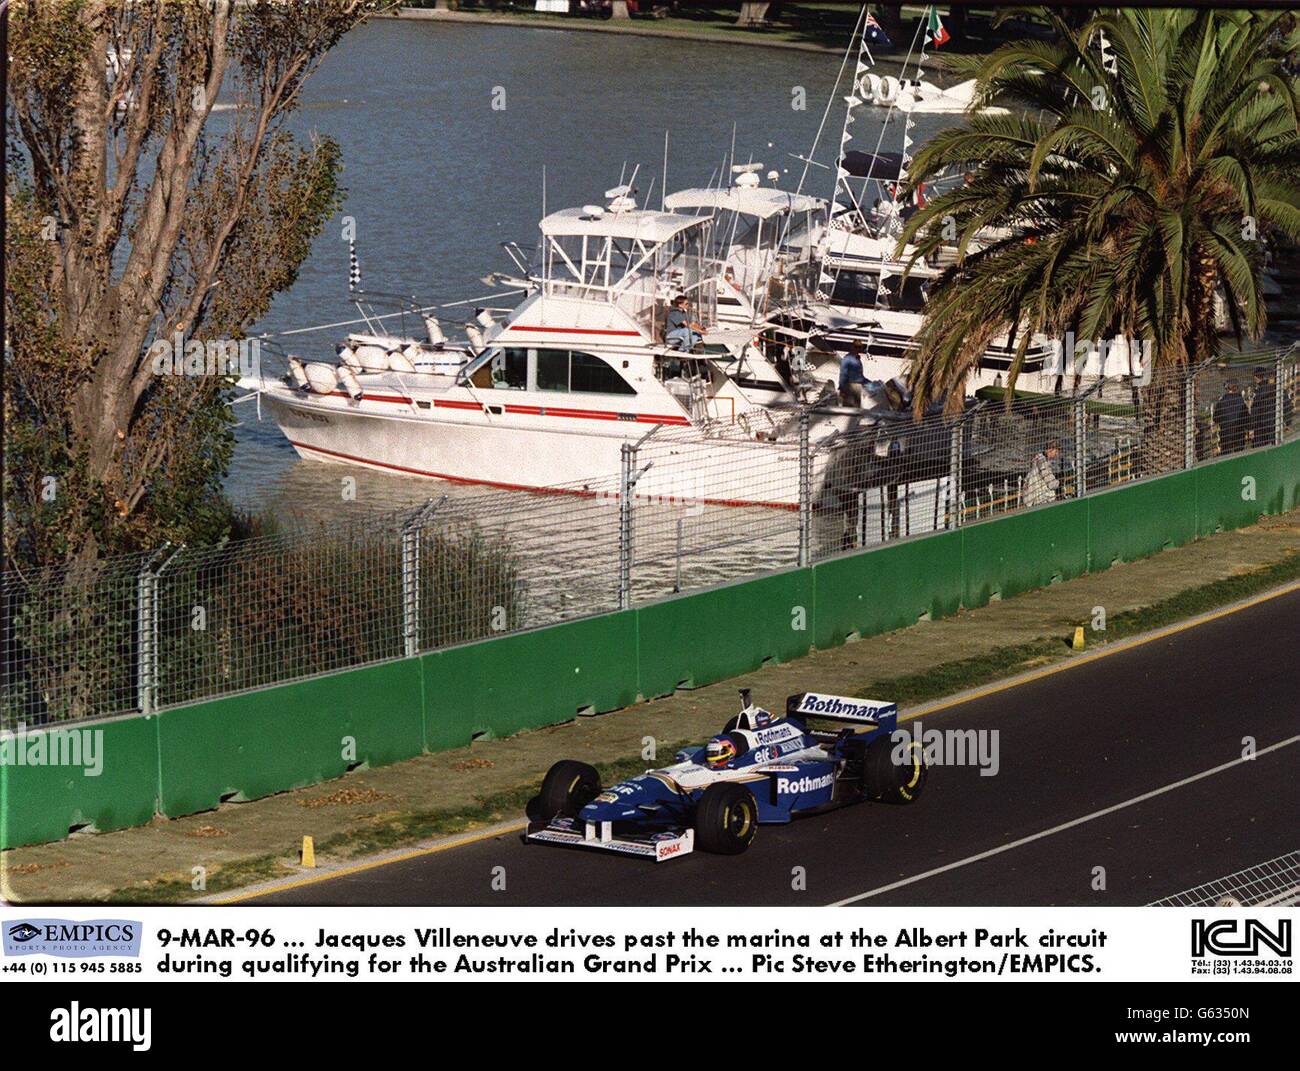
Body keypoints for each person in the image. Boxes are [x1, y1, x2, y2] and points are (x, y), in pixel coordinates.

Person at [1212, 379, 1250, 454]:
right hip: (1239, 432)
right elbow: (1246, 417)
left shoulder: (1221, 402)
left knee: (1226, 454)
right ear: (1236, 388)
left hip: (1226, 433)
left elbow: (1215, 418)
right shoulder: (1241, 400)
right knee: (1239, 453)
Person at [1248, 365, 1282, 447]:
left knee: (1259, 445)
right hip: (1274, 421)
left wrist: (1251, 428)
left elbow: (1255, 410)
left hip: (1262, 424)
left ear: (1256, 377)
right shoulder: (1275, 387)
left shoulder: (1260, 391)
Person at [1024, 442, 1060, 506]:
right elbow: (1049, 480)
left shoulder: (1038, 458)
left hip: (1035, 494)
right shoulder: (1042, 461)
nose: (1057, 454)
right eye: (1056, 451)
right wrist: (1058, 483)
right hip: (1040, 496)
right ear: (1050, 450)